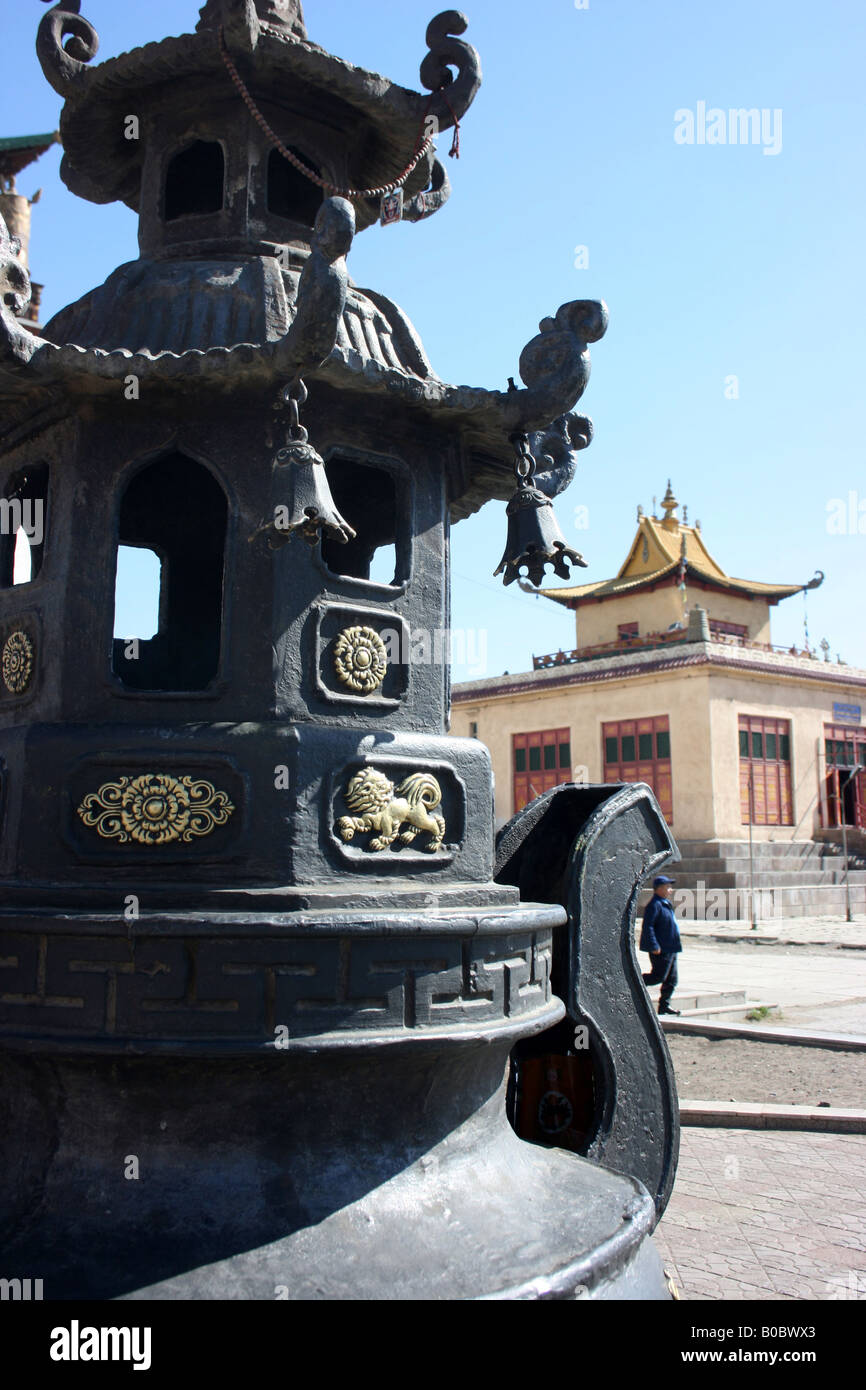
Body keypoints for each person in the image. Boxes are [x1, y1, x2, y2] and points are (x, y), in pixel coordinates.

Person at [640, 875, 682, 1016]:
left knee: (672, 979)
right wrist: (653, 945)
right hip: (661, 949)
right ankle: (634, 982)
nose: (670, 890)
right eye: (668, 887)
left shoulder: (665, 903)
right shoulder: (655, 905)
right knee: (658, 977)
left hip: (671, 947)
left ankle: (664, 1006)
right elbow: (648, 926)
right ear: (659, 889)